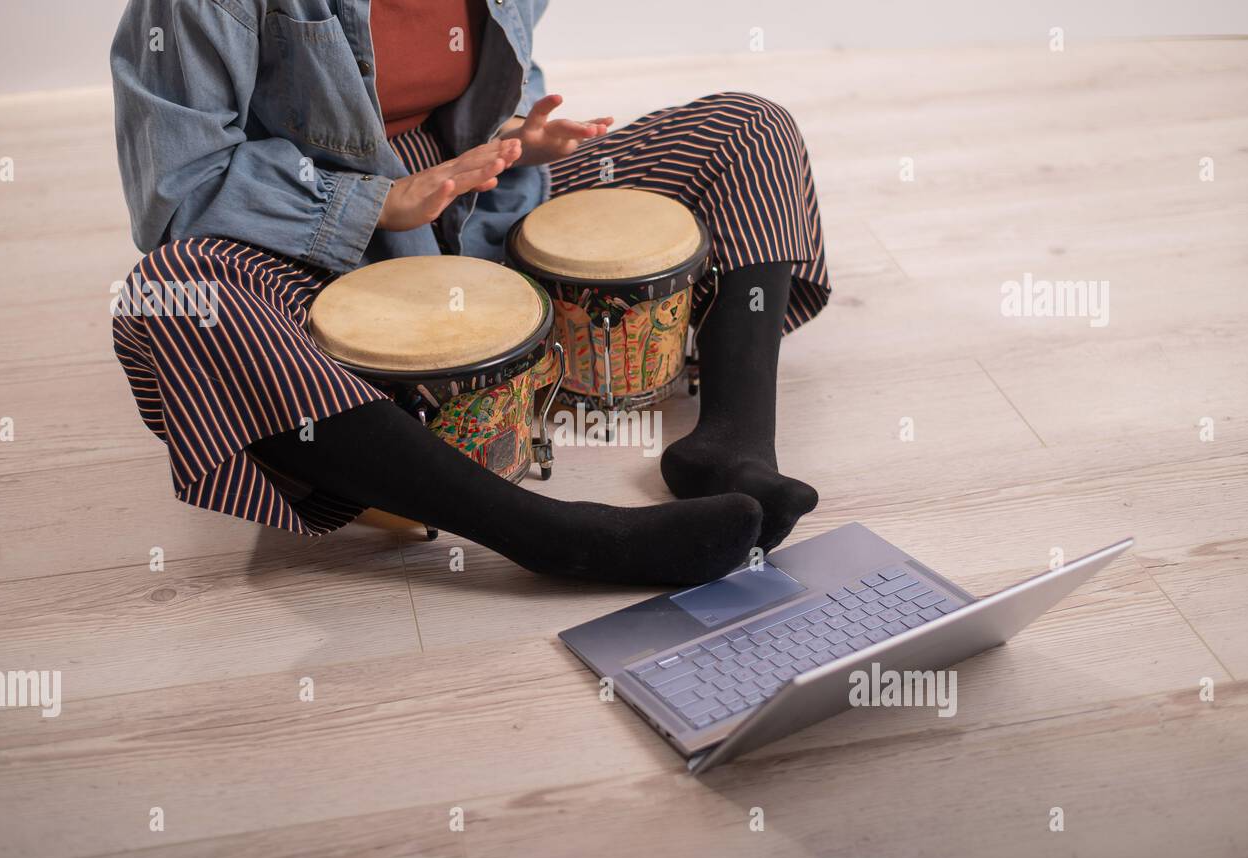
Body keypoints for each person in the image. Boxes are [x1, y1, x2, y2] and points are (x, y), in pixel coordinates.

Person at [110, 0, 830, 585]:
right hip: (324, 241)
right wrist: (377, 205)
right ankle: (551, 534)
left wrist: (522, 136)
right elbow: (178, 190)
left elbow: (486, 87)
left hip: (483, 202)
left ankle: (732, 446)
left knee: (749, 129)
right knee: (171, 294)